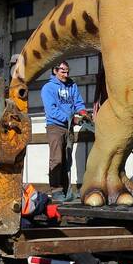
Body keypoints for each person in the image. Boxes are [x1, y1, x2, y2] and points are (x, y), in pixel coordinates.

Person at [41, 60, 90, 201]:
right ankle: (56, 190)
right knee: (57, 159)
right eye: (63, 71)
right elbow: (52, 111)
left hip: (68, 127)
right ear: (55, 71)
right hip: (55, 127)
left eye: (67, 71)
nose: (66, 74)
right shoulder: (48, 88)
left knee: (67, 160)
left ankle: (66, 189)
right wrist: (72, 119)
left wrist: (83, 113)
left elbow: (78, 102)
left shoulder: (72, 85)